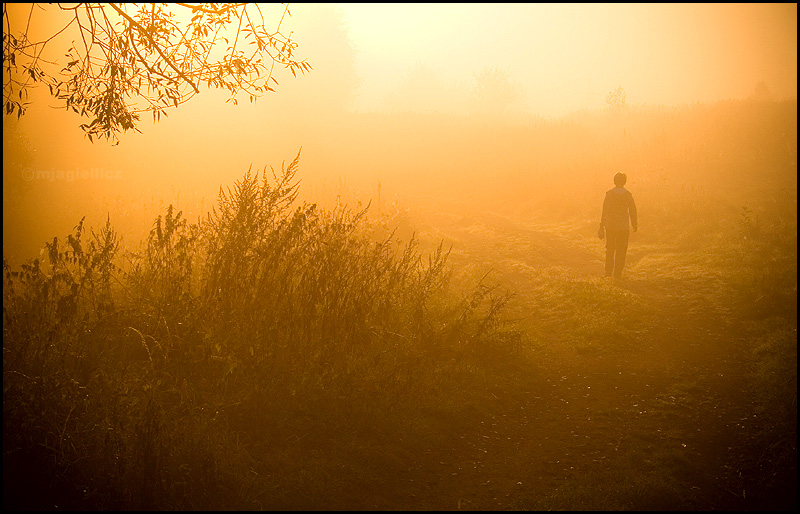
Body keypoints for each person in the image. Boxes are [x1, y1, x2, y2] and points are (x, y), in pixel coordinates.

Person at [599, 172, 637, 279]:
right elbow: (633, 210)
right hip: (623, 227)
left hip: (610, 226)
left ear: (614, 181)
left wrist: (601, 226)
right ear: (625, 182)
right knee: (621, 250)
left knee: (610, 249)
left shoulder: (609, 194)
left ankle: (608, 273)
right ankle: (617, 273)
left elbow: (604, 211)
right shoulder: (628, 195)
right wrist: (634, 224)